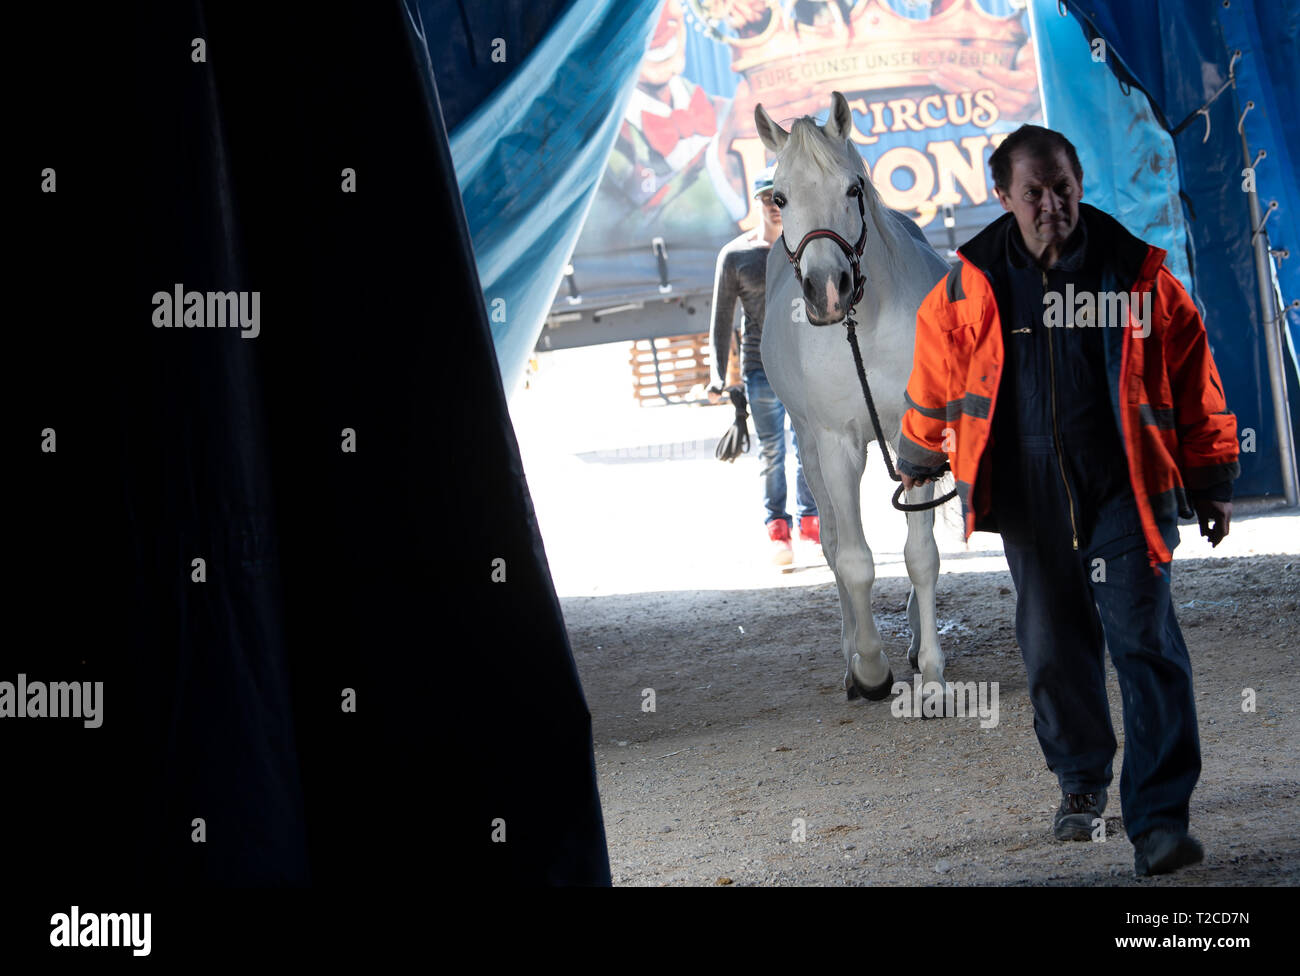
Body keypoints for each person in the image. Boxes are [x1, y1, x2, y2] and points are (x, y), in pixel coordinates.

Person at [896, 124, 1239, 877]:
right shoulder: (970, 283)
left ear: (1079, 183)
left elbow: (1193, 376)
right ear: (1003, 197)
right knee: (1053, 647)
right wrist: (920, 455)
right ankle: (1082, 785)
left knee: (1144, 643)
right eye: (1034, 192)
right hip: (1028, 495)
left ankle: (1158, 821)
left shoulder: (1138, 276)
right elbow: (935, 373)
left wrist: (1210, 479)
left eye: (1062, 188)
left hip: (1126, 492)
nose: (1051, 204)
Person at [708, 166, 819, 565]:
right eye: (767, 198)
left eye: (781, 197)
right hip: (761, 367)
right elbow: (722, 318)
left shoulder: (807, 246)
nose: (774, 206)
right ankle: (778, 530)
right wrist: (717, 376)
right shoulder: (735, 256)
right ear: (756, 202)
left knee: (809, 446)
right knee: (772, 450)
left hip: (806, 365)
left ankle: (811, 523)